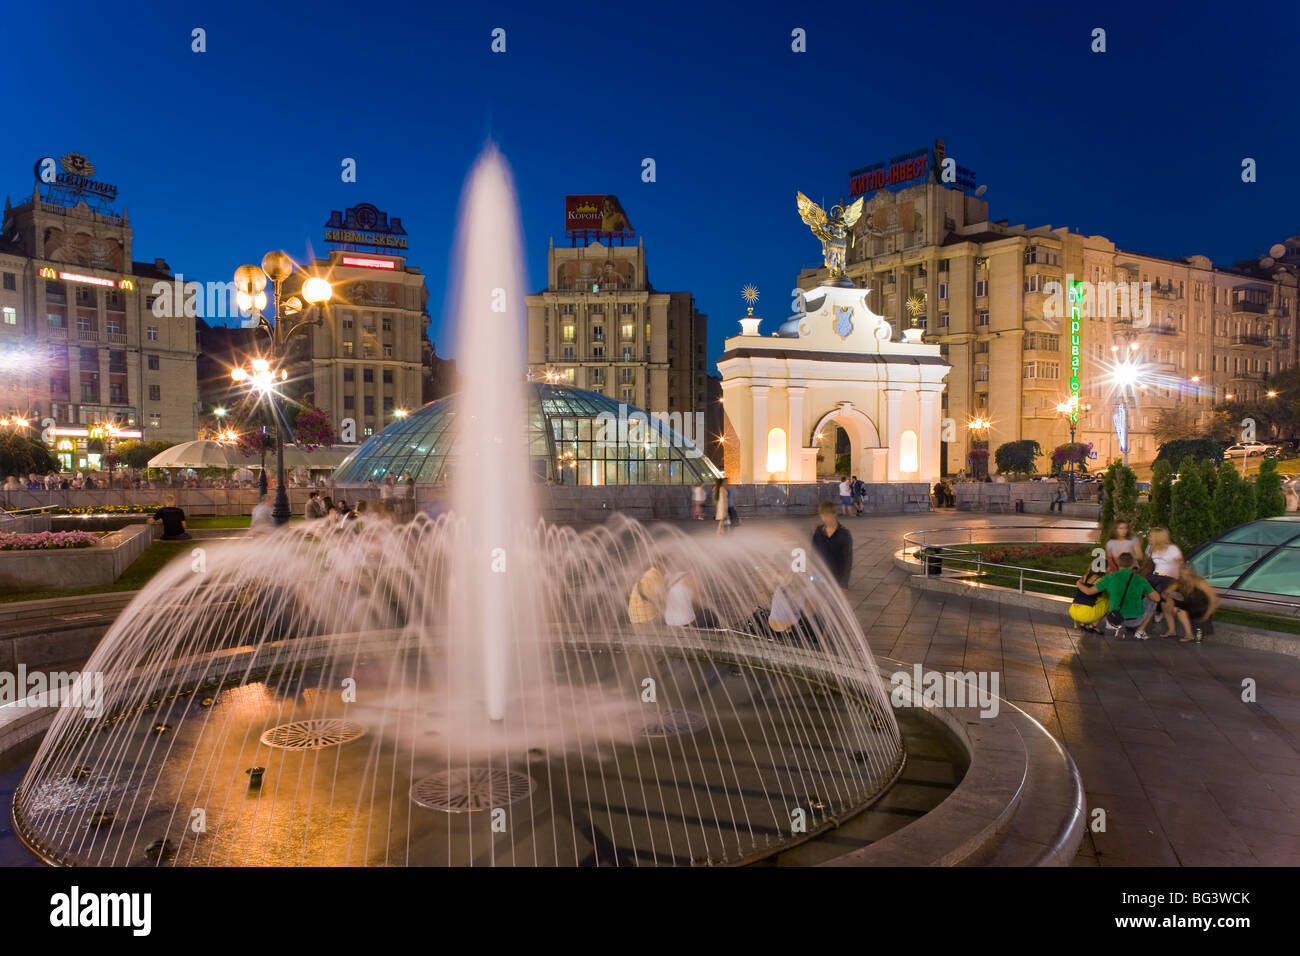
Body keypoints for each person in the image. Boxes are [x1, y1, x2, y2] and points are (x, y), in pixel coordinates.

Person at [1075, 552, 1155, 639]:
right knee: (1153, 601)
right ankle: (1140, 631)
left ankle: (1116, 625)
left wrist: (1078, 584)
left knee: (1108, 600)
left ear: (1118, 563)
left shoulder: (1109, 578)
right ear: (1132, 564)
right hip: (1135, 620)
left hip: (1113, 618)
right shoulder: (1141, 579)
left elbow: (1089, 592)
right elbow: (1157, 598)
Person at [1163, 565, 1220, 643]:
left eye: (1184, 571)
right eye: (1181, 571)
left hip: (1202, 607)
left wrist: (1208, 613)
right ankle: (1176, 631)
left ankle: (1193, 634)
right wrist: (1169, 599)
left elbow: (1213, 598)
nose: (1182, 573)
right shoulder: (1179, 582)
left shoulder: (1199, 582)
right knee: (1166, 605)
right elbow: (1165, 592)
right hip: (1189, 605)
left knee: (1198, 637)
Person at [811, 500, 853, 588]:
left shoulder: (844, 533)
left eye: (827, 515)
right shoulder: (818, 532)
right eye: (822, 515)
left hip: (836, 579)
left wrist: (844, 583)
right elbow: (813, 554)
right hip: (820, 577)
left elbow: (848, 560)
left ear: (834, 514)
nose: (824, 518)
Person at [1068, 568, 1109, 634]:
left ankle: (1083, 624)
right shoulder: (1102, 580)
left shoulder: (1085, 576)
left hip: (1073, 611)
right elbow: (1107, 594)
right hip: (1085, 614)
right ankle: (1092, 626)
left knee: (1091, 600)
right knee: (1108, 602)